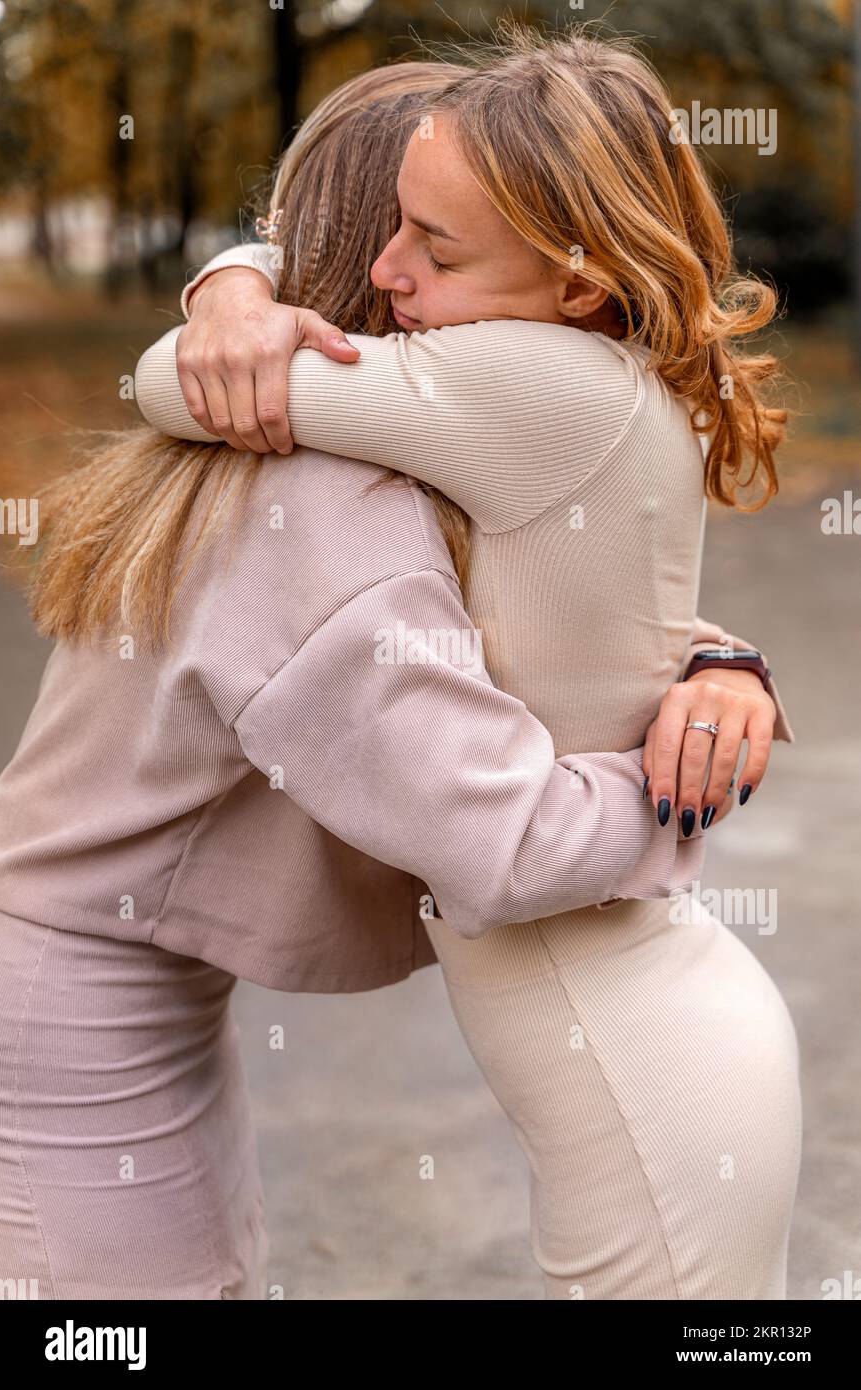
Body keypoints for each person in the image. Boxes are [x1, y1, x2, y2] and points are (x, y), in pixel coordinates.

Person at [133, 26, 802, 1299]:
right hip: (657, 1028)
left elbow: (177, 383)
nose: (385, 271)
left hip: (643, 1070)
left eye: (435, 249)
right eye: (392, 225)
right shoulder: (589, 377)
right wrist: (733, 664)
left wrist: (226, 286)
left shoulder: (527, 380)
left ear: (578, 283)